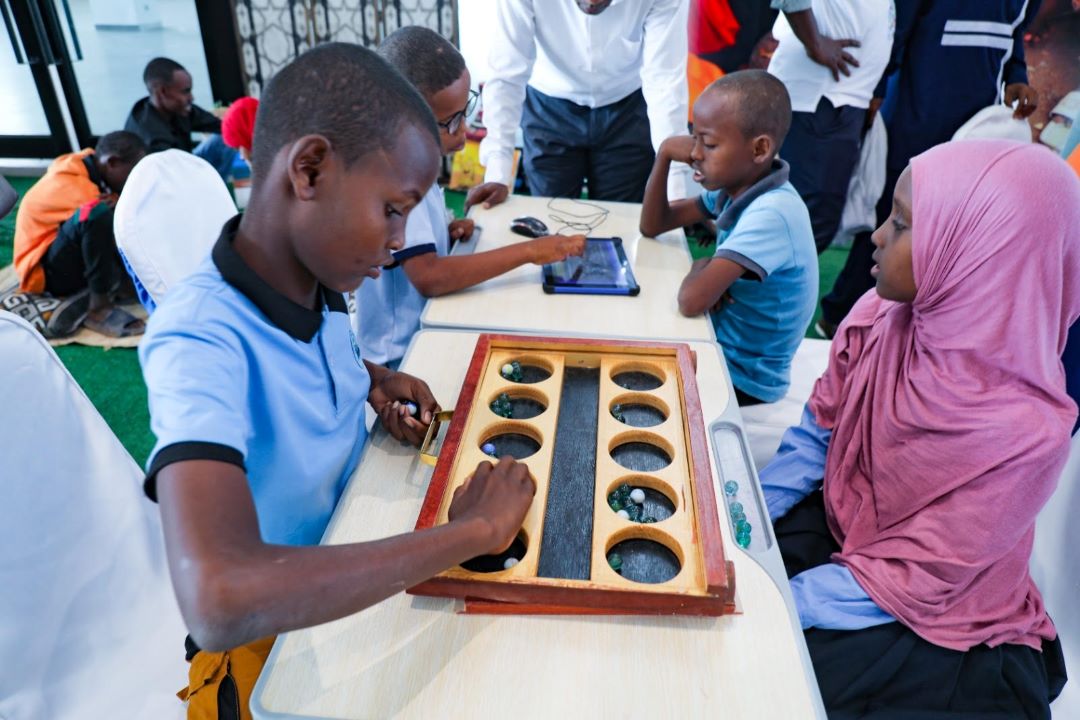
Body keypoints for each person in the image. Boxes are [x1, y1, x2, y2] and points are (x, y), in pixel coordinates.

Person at [138, 44, 536, 719]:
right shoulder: (197, 338)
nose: (399, 238)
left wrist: (370, 380)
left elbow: (305, 366)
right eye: (391, 210)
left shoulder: (313, 281)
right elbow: (219, 598)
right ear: (311, 169)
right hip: (278, 656)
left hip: (352, 567)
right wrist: (472, 531)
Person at [761, 140, 1077, 716]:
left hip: (931, 613)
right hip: (849, 533)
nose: (877, 236)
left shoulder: (1027, 434)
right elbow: (815, 438)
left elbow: (921, 579)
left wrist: (778, 603)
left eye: (902, 224)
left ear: (978, 257)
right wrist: (743, 519)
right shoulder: (879, 318)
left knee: (778, 682)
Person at [356, 26, 586, 368]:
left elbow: (409, 255)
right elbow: (429, 277)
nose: (464, 135)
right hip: (403, 359)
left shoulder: (414, 160)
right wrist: (530, 251)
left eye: (466, 112)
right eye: (451, 122)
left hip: (431, 329)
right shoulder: (397, 175)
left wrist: (442, 235)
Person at [816, 0, 1041, 337]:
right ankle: (842, 316)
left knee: (950, 226)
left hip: (976, 127)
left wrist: (1017, 77)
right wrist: (874, 92)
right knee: (892, 218)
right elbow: (897, 35)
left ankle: (918, 324)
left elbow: (1013, 38)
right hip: (913, 115)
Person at [639, 70, 816, 406]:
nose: (694, 153)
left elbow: (691, 301)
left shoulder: (773, 214)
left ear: (760, 149)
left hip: (743, 376)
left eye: (709, 144)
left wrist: (701, 268)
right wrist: (663, 155)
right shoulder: (737, 189)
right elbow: (654, 224)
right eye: (694, 139)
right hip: (718, 345)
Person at [476, 0, 691, 206]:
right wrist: (498, 172)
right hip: (548, 107)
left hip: (627, 107)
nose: (592, 4)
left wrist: (674, 189)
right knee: (550, 220)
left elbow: (665, 80)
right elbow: (506, 73)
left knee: (621, 222)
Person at [768, 0, 893, 253]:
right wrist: (814, 43)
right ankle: (745, 289)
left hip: (837, 95)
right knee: (808, 218)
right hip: (821, 95)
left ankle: (746, 287)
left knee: (811, 216)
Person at [13, 131, 147, 337]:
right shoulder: (75, 187)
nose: (135, 181)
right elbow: (116, 225)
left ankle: (122, 284)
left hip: (61, 249)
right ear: (111, 163)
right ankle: (99, 309)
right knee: (97, 214)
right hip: (44, 274)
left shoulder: (90, 164)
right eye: (132, 173)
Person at [124, 57, 237, 180]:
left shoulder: (177, 108)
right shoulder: (152, 138)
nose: (192, 98)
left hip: (186, 164)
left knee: (229, 133)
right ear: (162, 92)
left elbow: (220, 125)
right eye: (186, 92)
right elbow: (171, 179)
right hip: (170, 180)